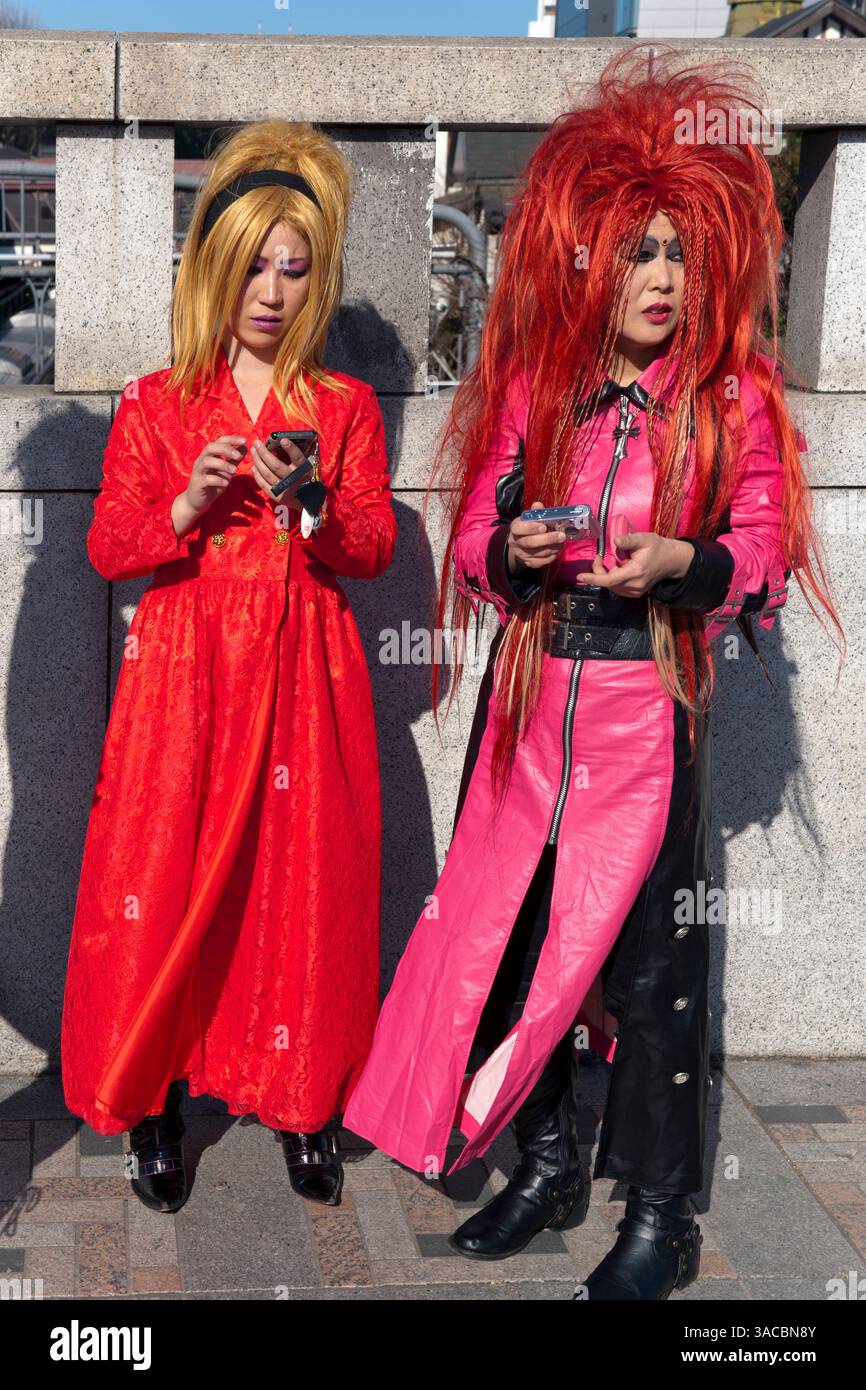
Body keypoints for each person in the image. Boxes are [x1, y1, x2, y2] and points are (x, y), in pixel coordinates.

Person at [343, 45, 843, 1298]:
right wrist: (508, 545)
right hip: (524, 712)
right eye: (637, 250)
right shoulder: (536, 387)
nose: (661, 278)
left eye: (677, 251)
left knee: (645, 977)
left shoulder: (732, 399)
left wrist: (684, 558)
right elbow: (469, 539)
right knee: (514, 946)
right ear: (585, 256)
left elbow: (762, 553)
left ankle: (663, 1218)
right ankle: (547, 1163)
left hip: (641, 714)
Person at [61, 119, 397, 1214]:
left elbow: (374, 548)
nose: (272, 289)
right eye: (253, 263)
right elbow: (111, 547)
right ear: (214, 266)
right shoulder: (159, 401)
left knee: (300, 883)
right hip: (185, 672)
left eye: (294, 269)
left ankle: (303, 1102)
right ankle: (157, 1096)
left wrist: (307, 501)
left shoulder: (341, 407)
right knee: (164, 882)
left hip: (306, 668)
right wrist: (189, 504)